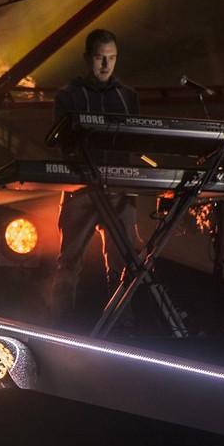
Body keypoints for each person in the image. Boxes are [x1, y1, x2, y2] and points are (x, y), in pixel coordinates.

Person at [47, 28, 142, 329]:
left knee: (123, 264)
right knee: (69, 263)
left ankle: (121, 329)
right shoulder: (67, 95)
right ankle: (62, 328)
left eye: (112, 58)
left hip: (118, 189)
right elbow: (62, 141)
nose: (106, 65)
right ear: (88, 58)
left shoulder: (128, 97)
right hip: (80, 189)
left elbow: (136, 140)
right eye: (101, 58)